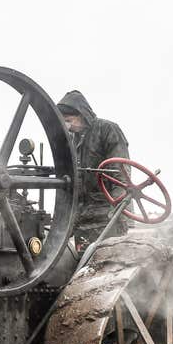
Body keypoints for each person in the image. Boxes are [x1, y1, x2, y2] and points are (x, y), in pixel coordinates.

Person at [57, 89, 131, 248]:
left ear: (81, 115)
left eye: (69, 120)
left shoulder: (107, 130)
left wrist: (117, 211)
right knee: (84, 268)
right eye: (65, 122)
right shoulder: (73, 139)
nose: (68, 126)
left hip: (106, 217)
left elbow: (121, 176)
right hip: (82, 219)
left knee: (107, 265)